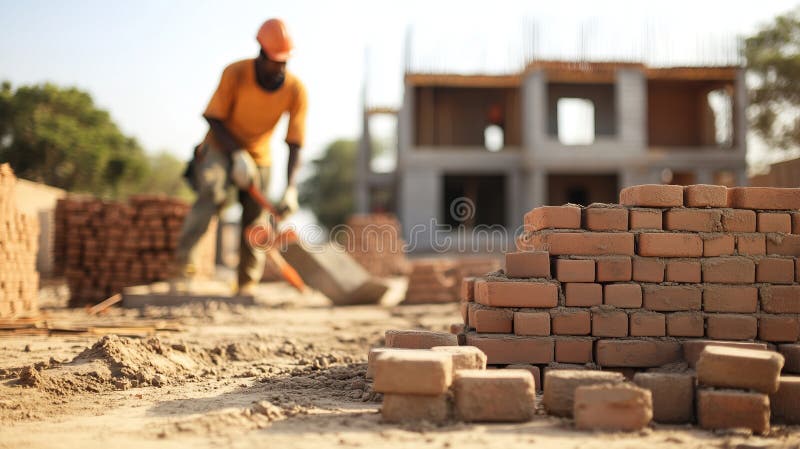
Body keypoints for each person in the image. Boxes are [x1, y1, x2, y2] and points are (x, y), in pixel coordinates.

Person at [175, 18, 307, 294]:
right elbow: (213, 117)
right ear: (261, 54)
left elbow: (295, 143)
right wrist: (235, 155)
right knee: (212, 193)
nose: (281, 67)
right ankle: (182, 271)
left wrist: (291, 188)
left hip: (260, 156)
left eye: (285, 61)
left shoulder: (296, 90)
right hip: (220, 146)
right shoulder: (235, 73)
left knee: (256, 219)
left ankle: (246, 283)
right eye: (275, 61)